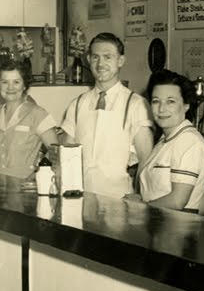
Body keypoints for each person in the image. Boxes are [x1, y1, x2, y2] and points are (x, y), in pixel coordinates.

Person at [60, 32, 153, 198]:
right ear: (88, 60)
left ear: (120, 61)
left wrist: (139, 198)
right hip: (80, 195)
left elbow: (146, 160)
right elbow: (66, 154)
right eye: (95, 57)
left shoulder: (136, 104)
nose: (100, 63)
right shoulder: (78, 104)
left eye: (107, 57)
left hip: (118, 197)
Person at [125, 69, 204, 212]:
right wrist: (140, 199)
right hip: (157, 219)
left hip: (178, 222)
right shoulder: (165, 139)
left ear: (186, 105)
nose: (161, 109)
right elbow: (156, 192)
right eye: (156, 101)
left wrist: (142, 206)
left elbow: (177, 201)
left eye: (170, 102)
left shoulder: (188, 140)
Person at [0, 58, 59, 178]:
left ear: (24, 86)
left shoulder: (38, 114)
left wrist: (38, 175)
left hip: (25, 184)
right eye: (5, 82)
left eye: (16, 82)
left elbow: (56, 151)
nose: (10, 88)